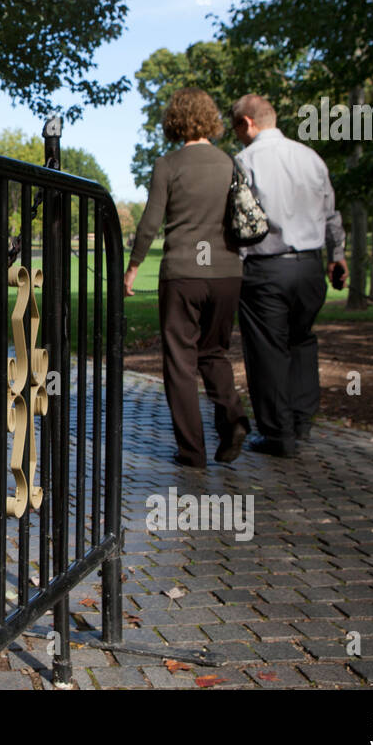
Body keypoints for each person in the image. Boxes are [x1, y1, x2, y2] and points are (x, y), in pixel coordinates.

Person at [124, 88, 250, 468]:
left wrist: (133, 267)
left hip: (183, 274)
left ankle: (191, 452)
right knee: (214, 353)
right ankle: (232, 421)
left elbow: (149, 224)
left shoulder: (168, 164)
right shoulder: (230, 162)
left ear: (174, 120)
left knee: (180, 361)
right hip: (227, 272)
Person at [230, 94, 347, 458]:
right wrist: (337, 256)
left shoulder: (244, 161)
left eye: (237, 129)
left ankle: (278, 434)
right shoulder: (310, 157)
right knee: (302, 342)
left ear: (247, 123)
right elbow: (331, 214)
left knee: (268, 351)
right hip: (310, 265)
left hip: (266, 268)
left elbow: (240, 219)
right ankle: (301, 421)